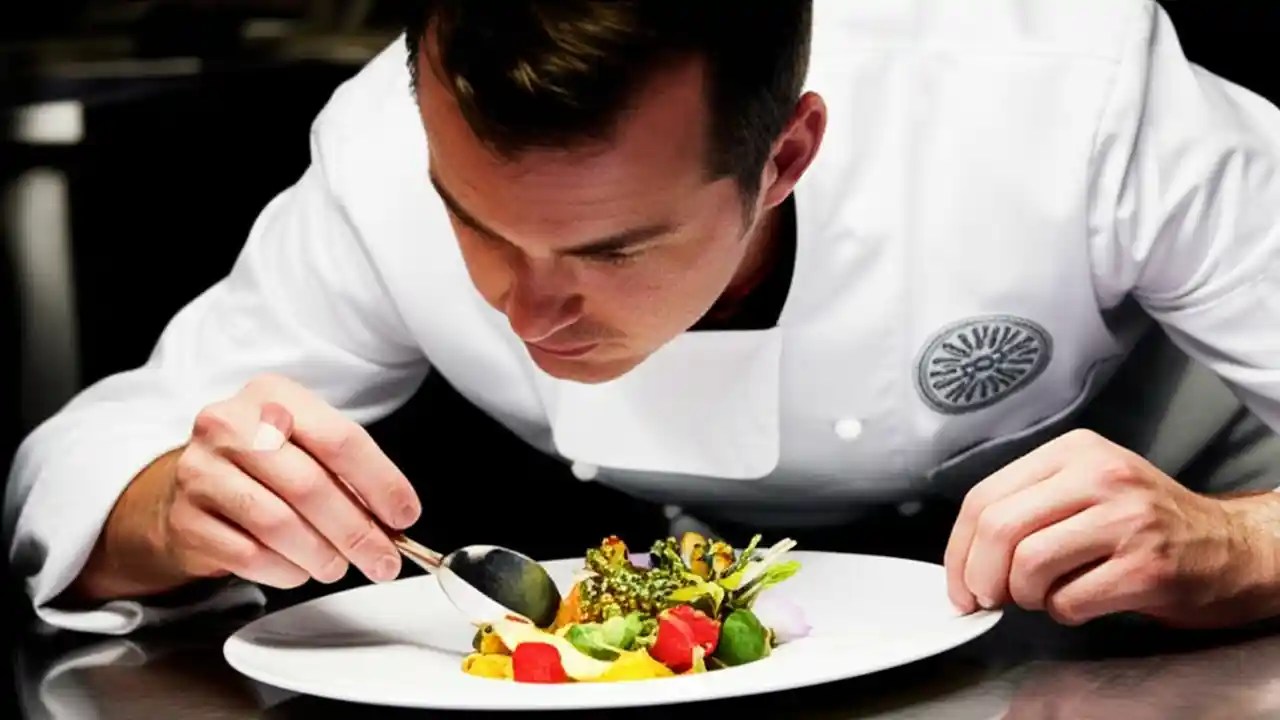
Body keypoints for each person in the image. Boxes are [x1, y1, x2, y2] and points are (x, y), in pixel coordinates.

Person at [5, 0, 1280, 636]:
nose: (524, 305)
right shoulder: (378, 155)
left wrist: (1233, 548)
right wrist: (168, 507)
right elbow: (84, 456)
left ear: (786, 157)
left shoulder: (1073, 97)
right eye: (477, 225)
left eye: (613, 246)